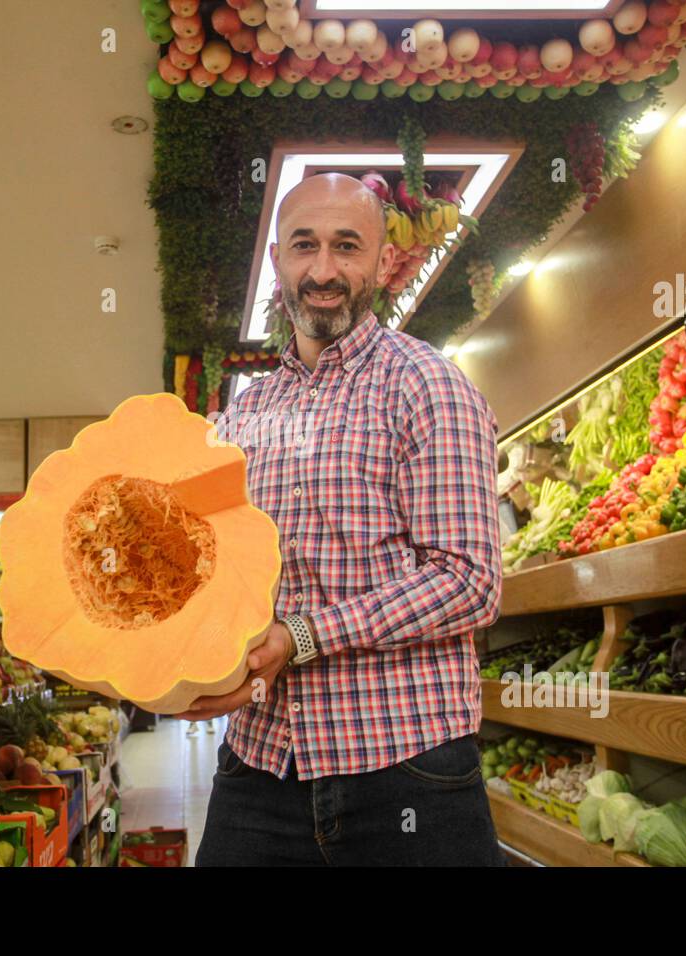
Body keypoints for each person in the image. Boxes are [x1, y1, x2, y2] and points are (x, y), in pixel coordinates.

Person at [180, 173, 505, 866]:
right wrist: (191, 663)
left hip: (407, 769)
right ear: (277, 262)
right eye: (304, 245)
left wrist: (302, 635)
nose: (323, 270)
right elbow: (225, 578)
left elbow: (469, 580)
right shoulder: (245, 415)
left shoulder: (428, 386)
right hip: (261, 764)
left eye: (346, 246)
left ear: (384, 262)